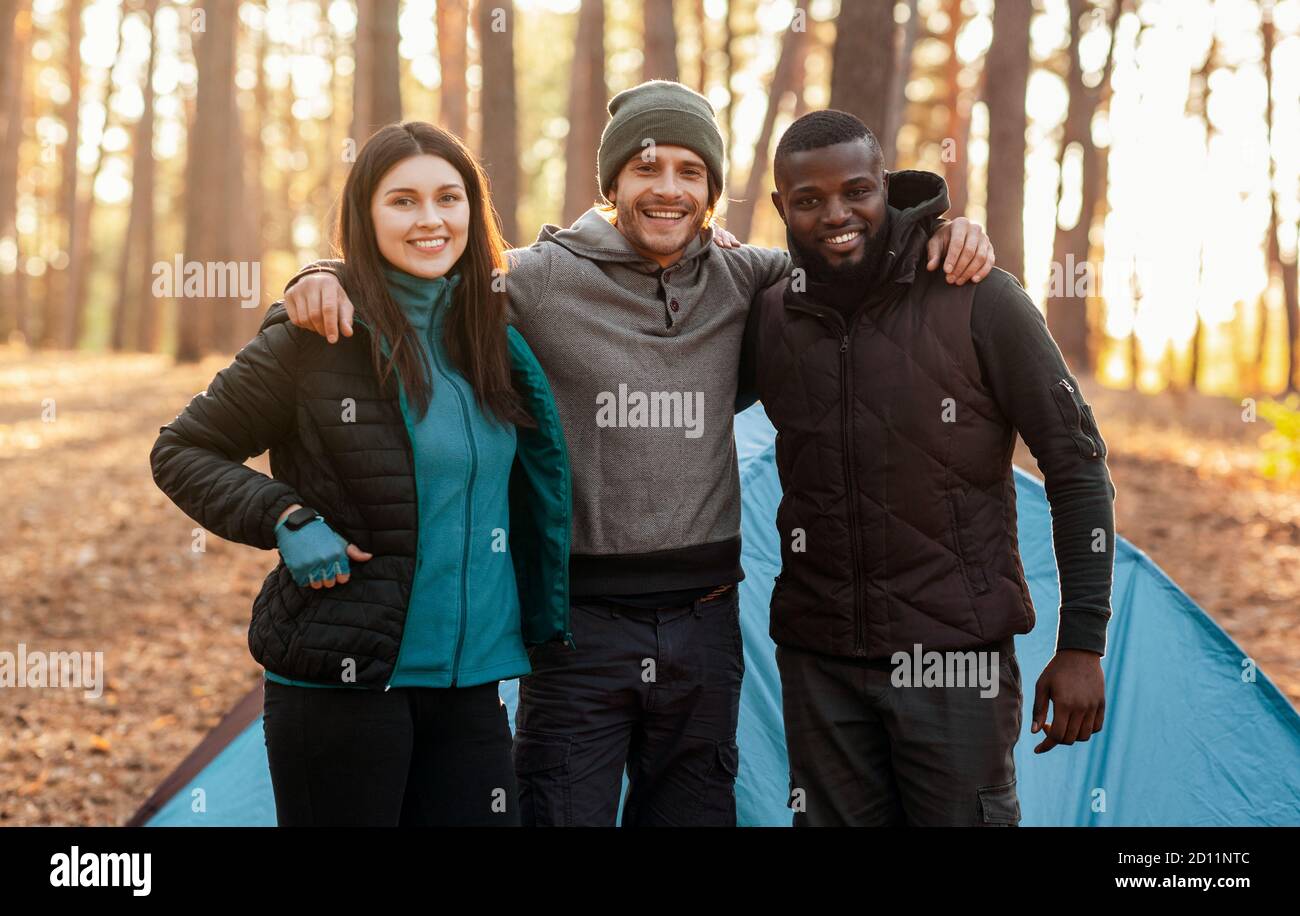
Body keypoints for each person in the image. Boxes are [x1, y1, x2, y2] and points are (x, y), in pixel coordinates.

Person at [276, 81, 996, 826]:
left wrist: (942, 229)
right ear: (612, 183)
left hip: (707, 625)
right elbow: (421, 282)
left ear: (712, 193)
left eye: (690, 172)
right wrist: (323, 277)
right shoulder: (537, 279)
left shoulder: (746, 276)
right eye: (647, 169)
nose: (668, 189)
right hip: (580, 633)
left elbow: (856, 259)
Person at [149, 122, 571, 826]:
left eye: (448, 198)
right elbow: (183, 450)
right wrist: (285, 518)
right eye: (402, 202)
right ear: (365, 218)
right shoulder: (316, 339)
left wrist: (710, 245)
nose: (430, 220)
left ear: (473, 209)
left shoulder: (495, 339)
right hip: (344, 684)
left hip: (472, 687)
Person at [738, 109, 1116, 826]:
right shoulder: (770, 315)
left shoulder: (978, 295)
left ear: (886, 187)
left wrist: (1082, 645)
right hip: (819, 665)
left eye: (857, 191)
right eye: (808, 200)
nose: (836, 214)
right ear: (780, 206)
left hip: (956, 667)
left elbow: (1077, 468)